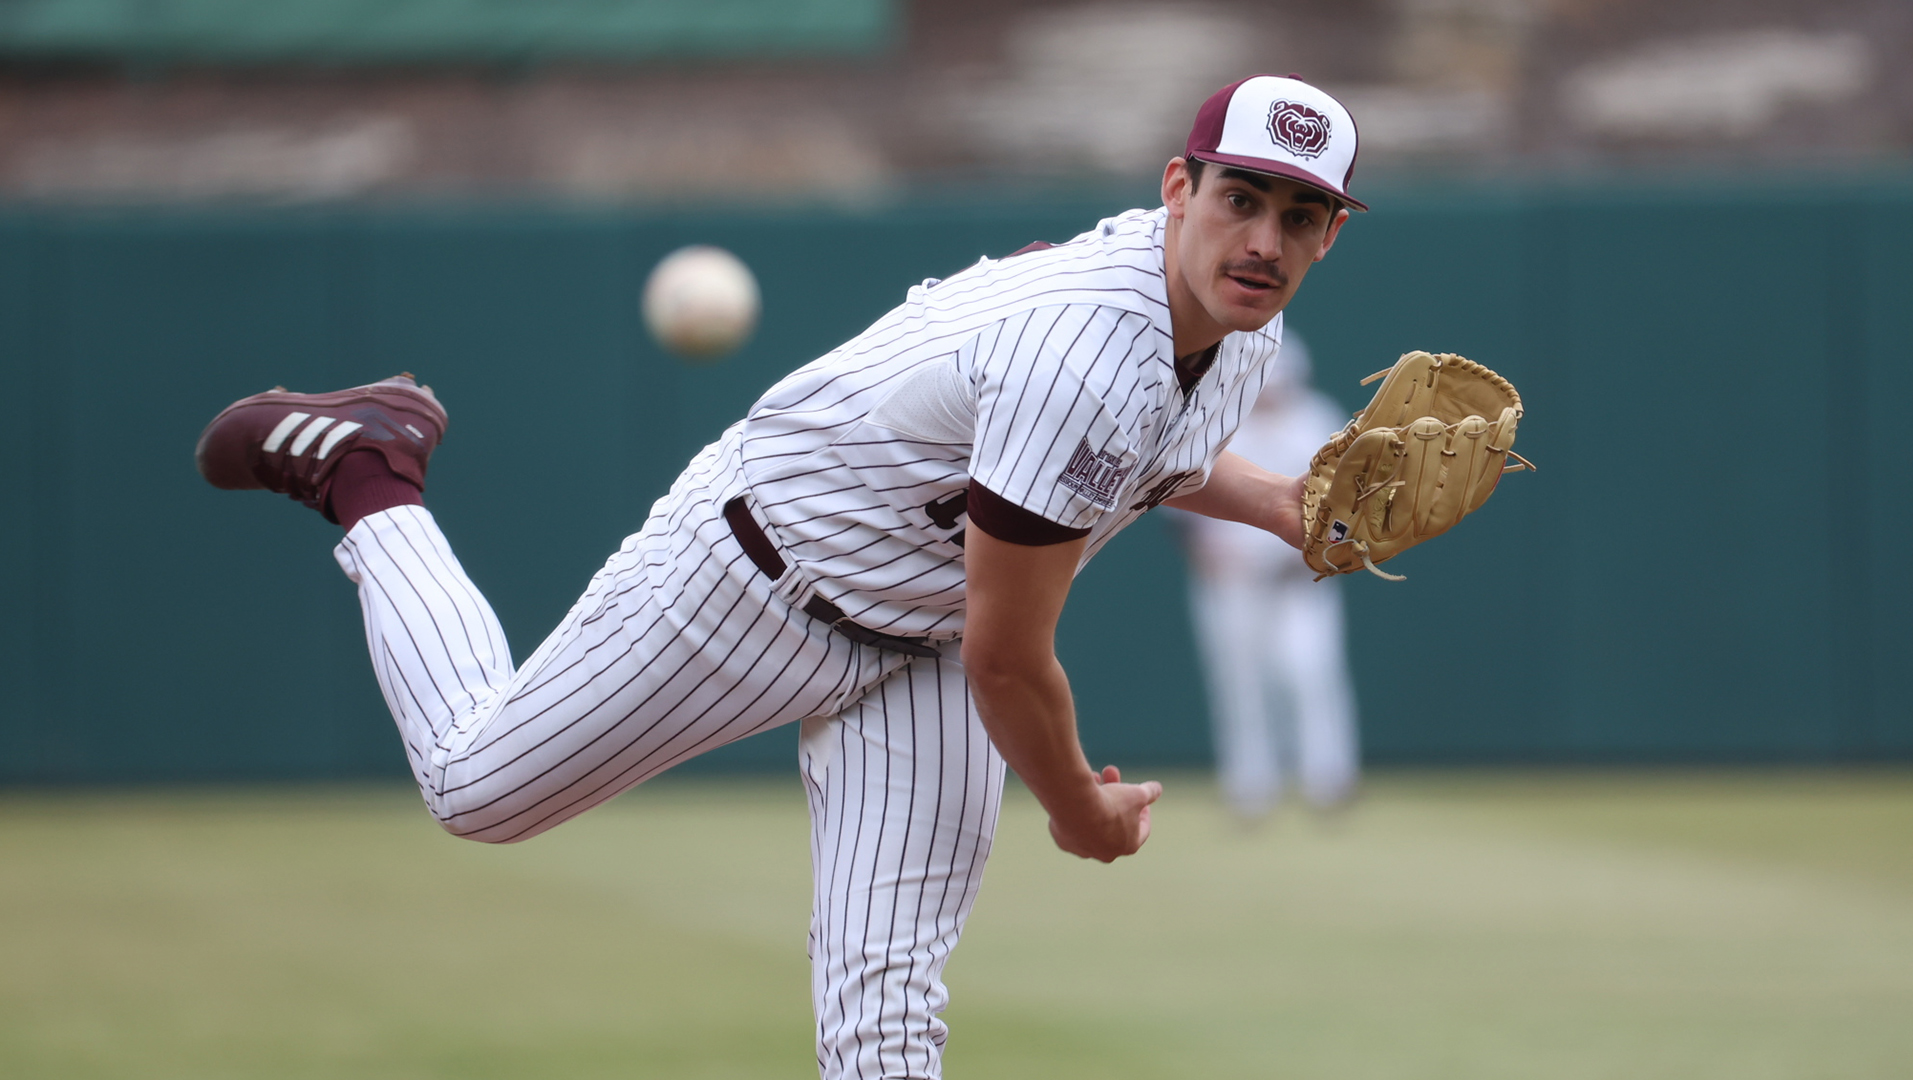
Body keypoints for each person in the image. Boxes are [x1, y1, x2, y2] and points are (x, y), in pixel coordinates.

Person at [195, 74, 1363, 1079]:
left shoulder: (1234, 327)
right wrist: (1078, 809)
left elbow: (1146, 454)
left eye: (1298, 214)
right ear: (1178, 187)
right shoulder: (1084, 347)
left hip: (924, 641)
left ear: (1331, 237)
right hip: (759, 574)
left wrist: (1284, 505)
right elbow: (1012, 657)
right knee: (474, 788)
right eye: (1241, 198)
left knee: (887, 1015)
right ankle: (370, 473)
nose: (1263, 239)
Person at [1172, 332, 1360, 819]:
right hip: (1231, 581)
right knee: (1239, 684)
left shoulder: (1316, 420)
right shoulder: (1216, 417)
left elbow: (1345, 507)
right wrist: (1207, 554)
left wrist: (1316, 555)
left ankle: (1328, 780)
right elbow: (1178, 504)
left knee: (1310, 672)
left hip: (1300, 580)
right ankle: (1250, 787)